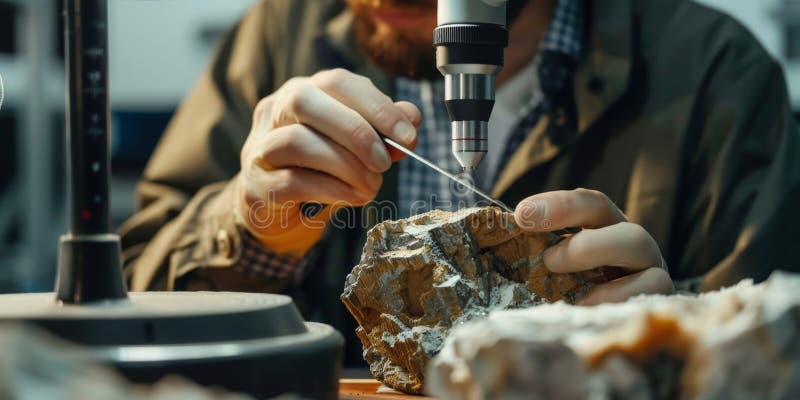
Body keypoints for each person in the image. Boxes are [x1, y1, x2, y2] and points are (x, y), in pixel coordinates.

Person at [119, 0, 800, 364]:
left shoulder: (717, 78)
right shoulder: (282, 31)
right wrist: (252, 228)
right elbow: (124, 309)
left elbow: (778, 349)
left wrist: (668, 326)